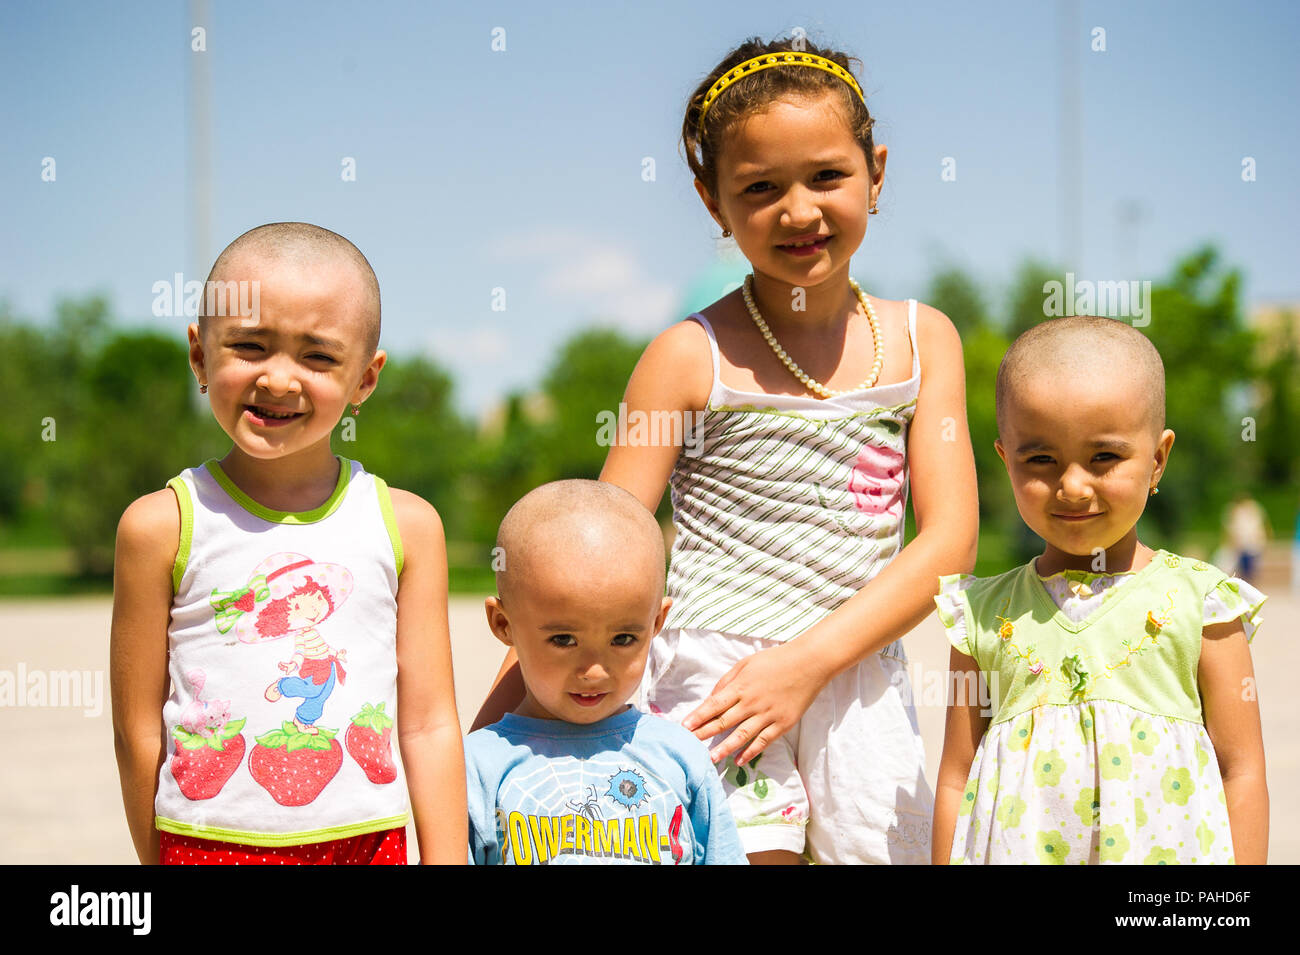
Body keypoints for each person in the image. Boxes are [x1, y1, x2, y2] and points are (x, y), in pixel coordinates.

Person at [476, 36, 979, 865]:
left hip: (854, 669)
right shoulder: (689, 355)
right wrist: (486, 740)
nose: (798, 210)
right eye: (758, 188)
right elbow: (592, 552)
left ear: (877, 173)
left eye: (827, 176)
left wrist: (807, 663)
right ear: (715, 204)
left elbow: (949, 542)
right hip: (715, 684)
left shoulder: (927, 341)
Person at [110, 222, 466, 865]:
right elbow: (138, 730)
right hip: (205, 847)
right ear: (199, 355)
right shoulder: (159, 527)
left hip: (367, 846)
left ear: (365, 379)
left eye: (318, 356)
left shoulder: (407, 526)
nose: (278, 380)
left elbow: (430, 723)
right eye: (249, 346)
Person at [932, 316, 1269, 864]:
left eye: (1104, 457)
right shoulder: (981, 614)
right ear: (1004, 459)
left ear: (1157, 460)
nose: (1071, 485)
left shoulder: (1201, 602)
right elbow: (955, 778)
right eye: (1040, 459)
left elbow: (1244, 770)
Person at [465, 480, 747, 865]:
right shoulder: (477, 766)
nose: (595, 670)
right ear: (503, 624)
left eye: (623, 639)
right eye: (564, 639)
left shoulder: (680, 756)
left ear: (657, 622)